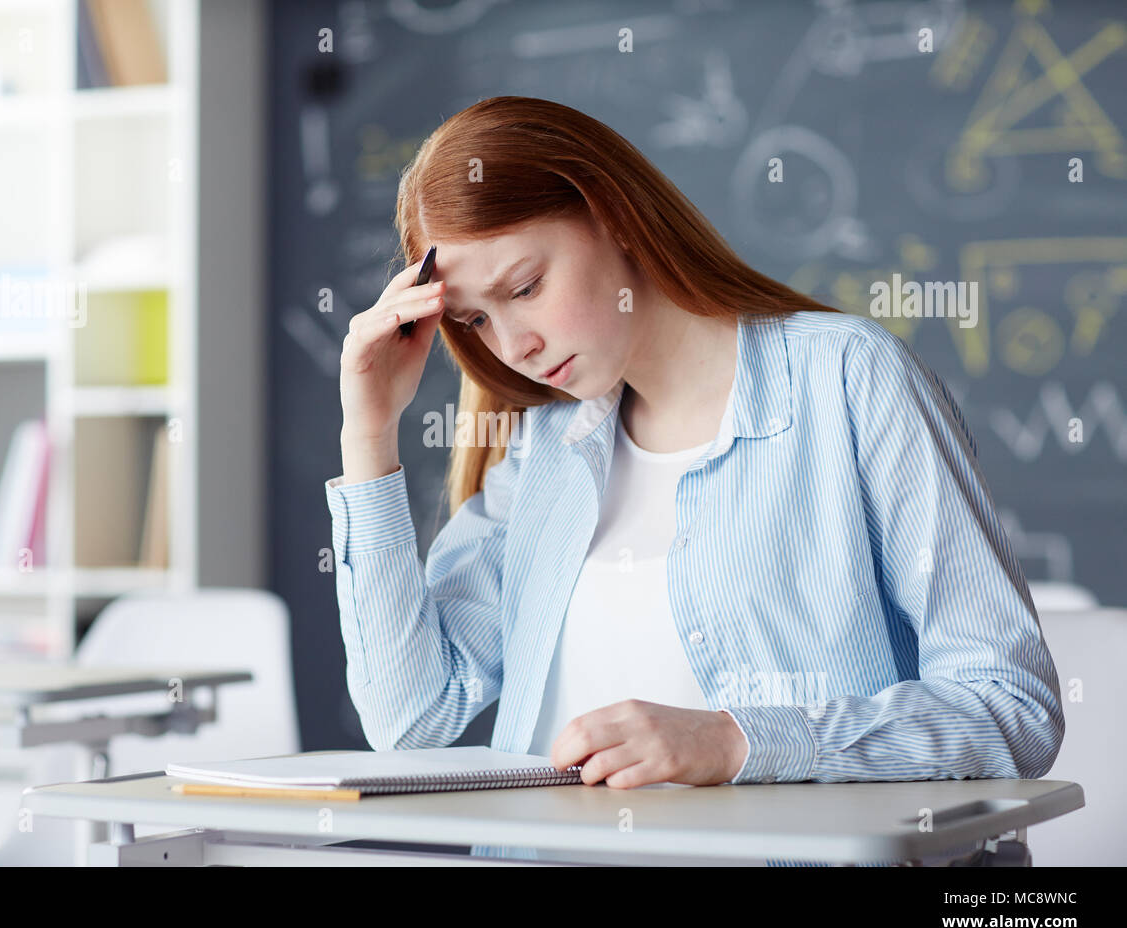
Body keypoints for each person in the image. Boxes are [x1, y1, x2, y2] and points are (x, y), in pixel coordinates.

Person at [325, 96, 1063, 865]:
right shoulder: (547, 449)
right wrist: (368, 434)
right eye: (474, 321)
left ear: (612, 214)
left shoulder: (845, 379)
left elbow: (1011, 708)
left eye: (524, 287)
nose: (515, 345)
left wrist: (736, 741)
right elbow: (410, 719)